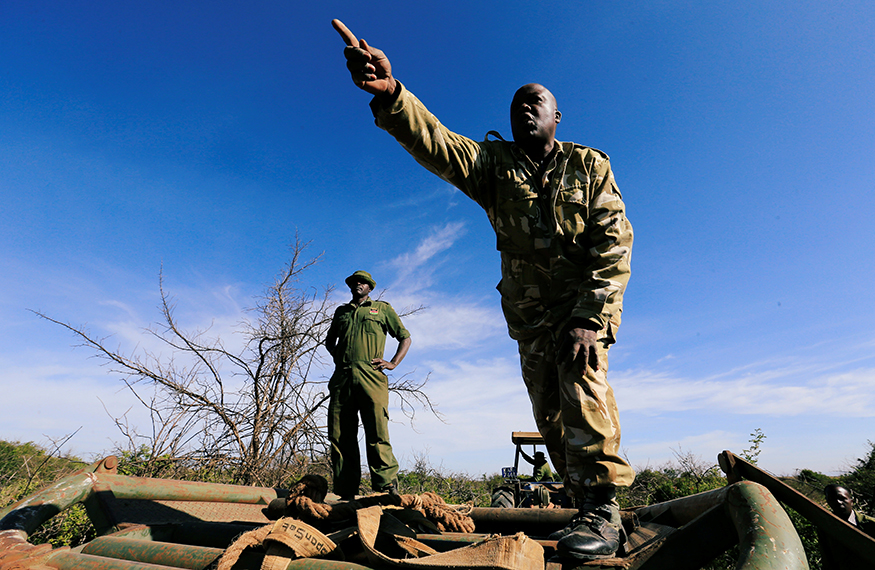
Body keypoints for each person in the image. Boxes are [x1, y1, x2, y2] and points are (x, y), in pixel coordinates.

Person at [333, 20, 634, 560]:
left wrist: (591, 315)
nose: (525, 108)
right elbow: (438, 144)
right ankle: (580, 499)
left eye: (535, 101)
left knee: (582, 383)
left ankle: (603, 506)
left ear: (556, 116)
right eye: (516, 104)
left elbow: (613, 243)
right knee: (550, 415)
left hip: (580, 311)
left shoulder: (588, 165)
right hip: (530, 318)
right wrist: (392, 94)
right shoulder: (493, 166)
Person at [325, 270, 412, 500]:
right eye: (355, 282)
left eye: (363, 282)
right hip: (342, 379)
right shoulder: (341, 312)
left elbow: (405, 337)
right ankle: (345, 490)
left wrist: (393, 362)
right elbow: (329, 341)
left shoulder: (382, 309)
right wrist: (340, 358)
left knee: (377, 430)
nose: (358, 284)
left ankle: (386, 486)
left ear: (370, 287)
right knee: (340, 434)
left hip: (371, 377)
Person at [819, 484, 875, 569]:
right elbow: (827, 560)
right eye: (832, 499)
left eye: (842, 498)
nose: (838, 502)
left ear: (851, 501)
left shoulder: (871, 524)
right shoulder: (826, 528)